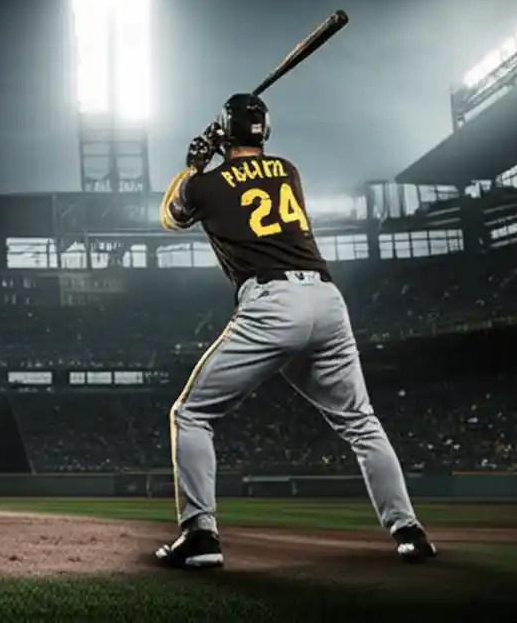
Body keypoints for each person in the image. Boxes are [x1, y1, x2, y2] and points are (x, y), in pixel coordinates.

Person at [154, 92, 436, 568]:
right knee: (361, 422)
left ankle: (200, 534)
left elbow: (172, 217)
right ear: (265, 132)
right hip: (326, 301)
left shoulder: (206, 184)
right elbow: (250, 180)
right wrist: (217, 153)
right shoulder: (288, 170)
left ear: (223, 134)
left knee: (190, 414)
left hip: (272, 303)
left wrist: (193, 165)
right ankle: (409, 531)